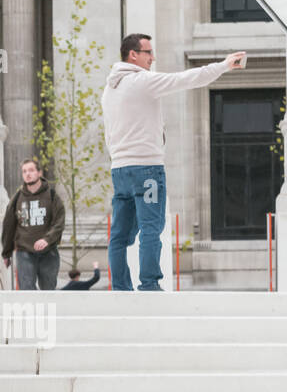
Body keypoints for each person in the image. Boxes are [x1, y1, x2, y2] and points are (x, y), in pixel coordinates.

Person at [102, 34, 246, 290]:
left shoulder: (109, 89)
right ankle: (149, 285)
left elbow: (108, 131)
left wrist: (118, 157)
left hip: (120, 170)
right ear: (132, 54)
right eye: (148, 52)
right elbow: (185, 79)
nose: (153, 57)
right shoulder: (141, 81)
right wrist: (223, 65)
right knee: (150, 228)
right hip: (146, 168)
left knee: (119, 235)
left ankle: (120, 288)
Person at [1, 158, 65, 290]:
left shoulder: (52, 196)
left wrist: (47, 239)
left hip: (49, 252)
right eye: (24, 171)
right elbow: (8, 226)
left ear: (39, 173)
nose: (27, 174)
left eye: (31, 170)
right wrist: (6, 253)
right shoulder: (17, 198)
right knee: (27, 290)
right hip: (24, 251)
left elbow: (59, 222)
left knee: (48, 290)